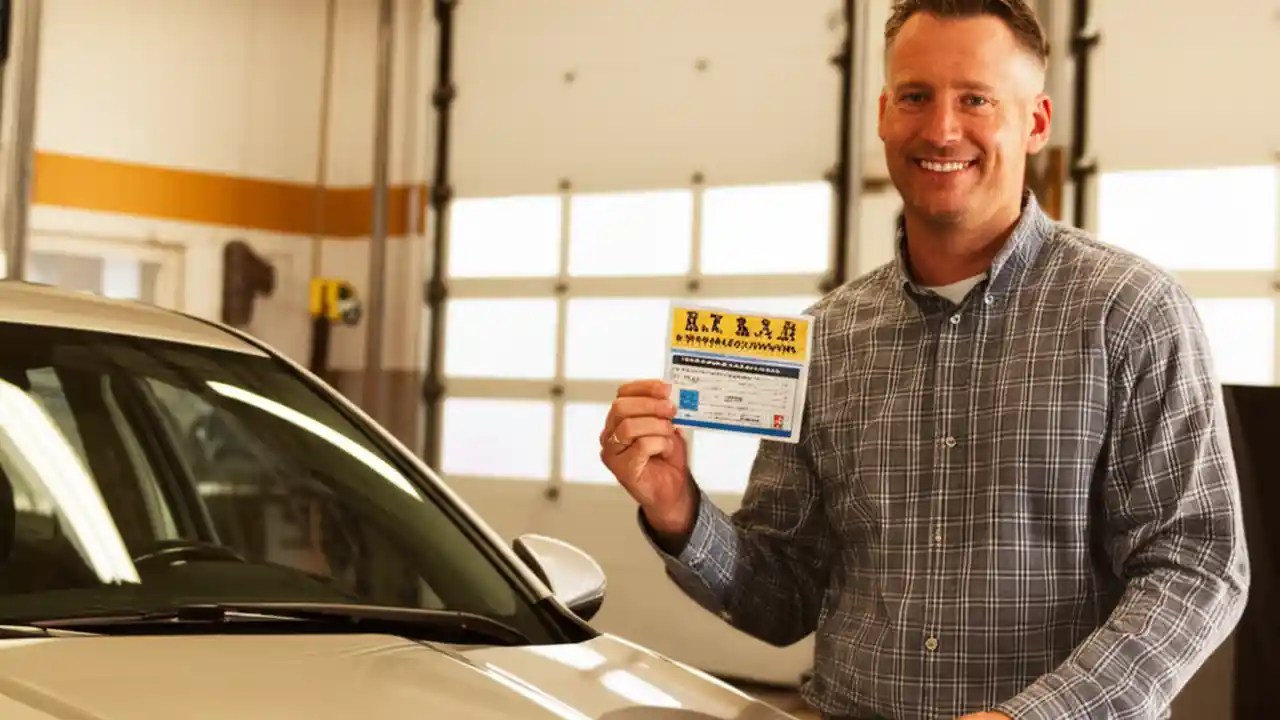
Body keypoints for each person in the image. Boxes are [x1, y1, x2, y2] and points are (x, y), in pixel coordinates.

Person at [597, 1, 1250, 718]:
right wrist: (677, 509)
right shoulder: (831, 337)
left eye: (975, 98)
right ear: (883, 113)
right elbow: (782, 599)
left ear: (1035, 121)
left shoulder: (1130, 313)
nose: (942, 129)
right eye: (916, 96)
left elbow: (1196, 568)